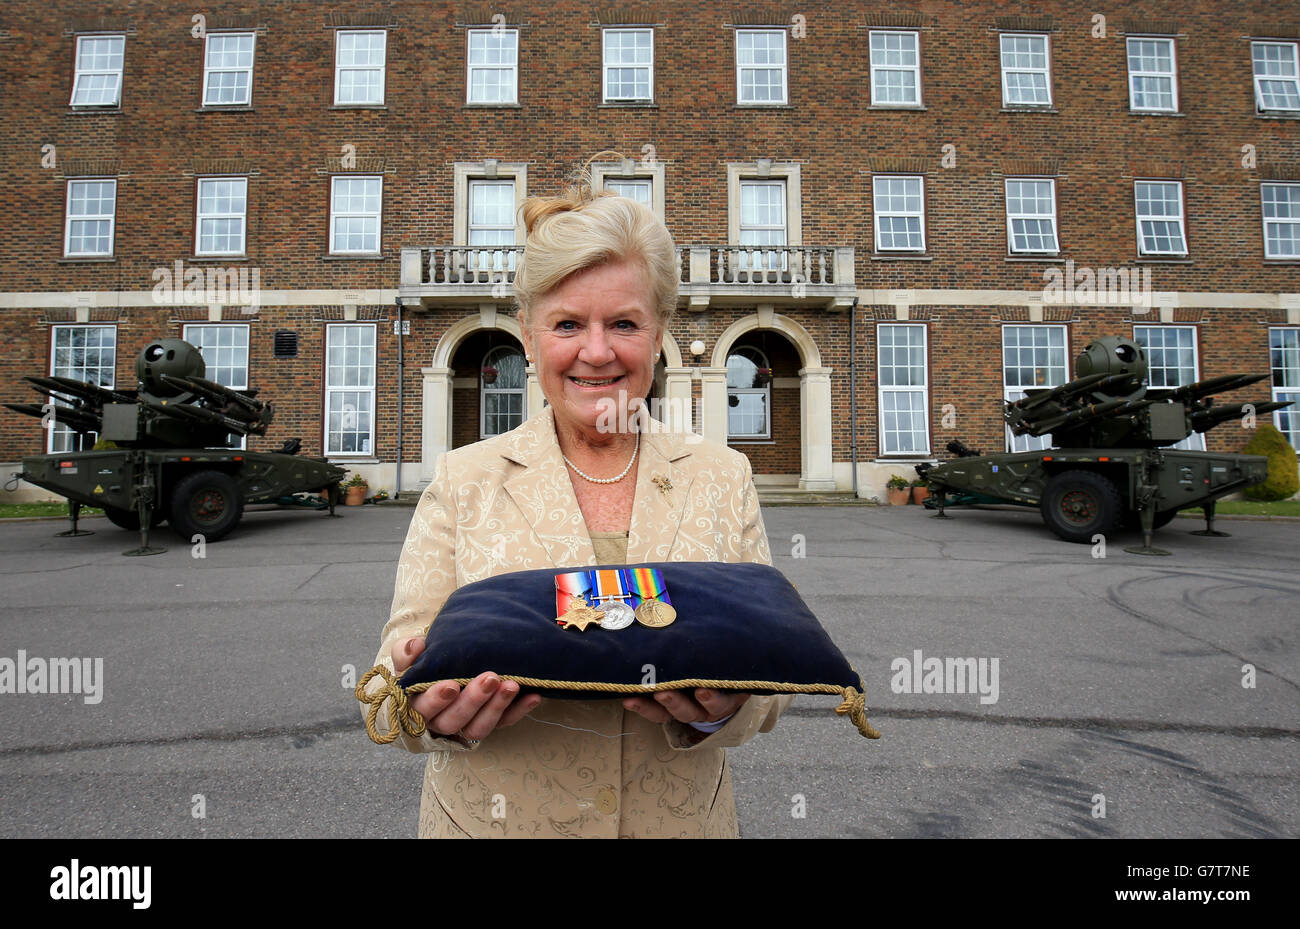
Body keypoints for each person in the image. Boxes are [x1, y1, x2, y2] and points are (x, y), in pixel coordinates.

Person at [363, 164, 792, 838]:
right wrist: (423, 706)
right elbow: (390, 687)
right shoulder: (463, 478)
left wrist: (723, 705)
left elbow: (766, 688)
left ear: (658, 333)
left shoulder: (723, 475)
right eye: (567, 324)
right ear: (529, 334)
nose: (597, 352)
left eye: (623, 322)